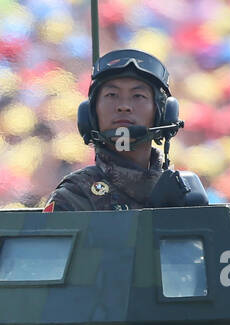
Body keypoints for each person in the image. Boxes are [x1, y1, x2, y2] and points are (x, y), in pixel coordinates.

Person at [42, 49, 205, 211]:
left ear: (162, 114)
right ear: (91, 114)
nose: (124, 107)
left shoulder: (183, 192)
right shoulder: (75, 196)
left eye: (138, 96)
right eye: (112, 95)